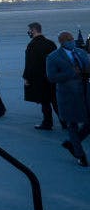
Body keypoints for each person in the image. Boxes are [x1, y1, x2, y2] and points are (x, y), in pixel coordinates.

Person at [45, 31, 90, 167]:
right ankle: (79, 154)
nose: (71, 41)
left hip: (85, 93)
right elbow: (51, 77)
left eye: (71, 39)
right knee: (72, 124)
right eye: (67, 40)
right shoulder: (53, 57)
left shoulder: (80, 52)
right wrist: (70, 73)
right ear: (61, 42)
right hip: (68, 96)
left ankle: (72, 144)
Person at [23, 22, 59, 130]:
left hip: (39, 79)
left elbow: (30, 63)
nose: (28, 32)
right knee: (55, 100)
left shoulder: (32, 45)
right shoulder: (51, 43)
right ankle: (65, 121)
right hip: (52, 77)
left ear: (34, 30)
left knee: (45, 102)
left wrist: (26, 77)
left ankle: (47, 123)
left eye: (29, 30)